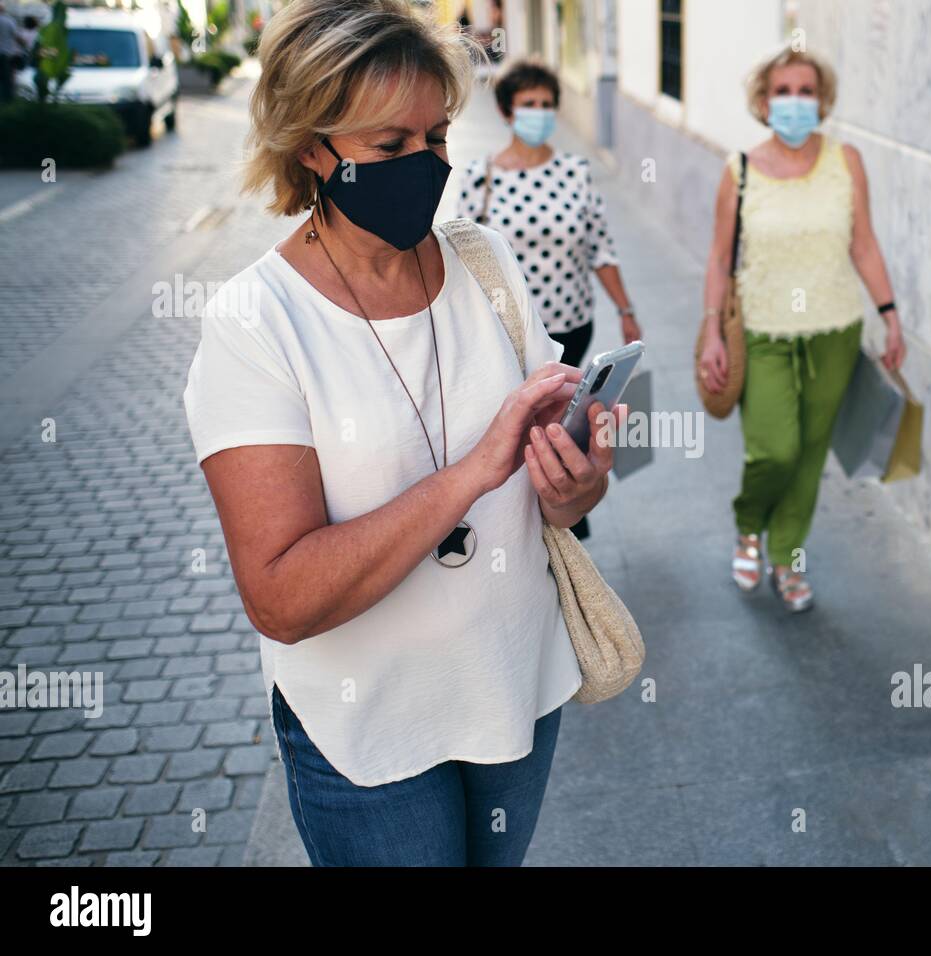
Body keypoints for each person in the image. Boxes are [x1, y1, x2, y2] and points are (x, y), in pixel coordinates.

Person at [183, 0, 623, 866]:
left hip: (513, 685)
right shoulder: (255, 323)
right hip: (368, 730)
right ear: (312, 146)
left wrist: (578, 483)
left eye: (439, 137)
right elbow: (281, 597)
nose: (425, 165)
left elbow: (556, 495)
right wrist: (473, 472)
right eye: (390, 147)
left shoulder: (485, 265)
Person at [698, 46, 906, 613]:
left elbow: (863, 243)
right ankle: (749, 526)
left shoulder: (848, 162)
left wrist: (890, 316)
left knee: (811, 455)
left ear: (823, 100)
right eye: (783, 92)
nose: (795, 102)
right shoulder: (739, 170)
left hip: (834, 331)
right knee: (775, 450)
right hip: (762, 332)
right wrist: (713, 331)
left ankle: (788, 555)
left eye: (806, 91)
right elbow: (719, 259)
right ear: (764, 103)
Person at [456, 57, 638, 540]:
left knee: (562, 416)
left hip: (572, 321)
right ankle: (526, 507)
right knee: (520, 419)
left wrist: (625, 310)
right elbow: (460, 252)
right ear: (507, 110)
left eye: (547, 104)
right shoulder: (481, 176)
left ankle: (565, 499)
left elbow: (600, 247)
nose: (539, 112)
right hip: (508, 330)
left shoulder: (576, 173)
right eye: (529, 104)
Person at [0, 3, 27, 103]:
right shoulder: (8, 21)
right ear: (3, 10)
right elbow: (17, 37)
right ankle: (7, 102)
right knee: (7, 79)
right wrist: (25, 45)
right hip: (5, 54)